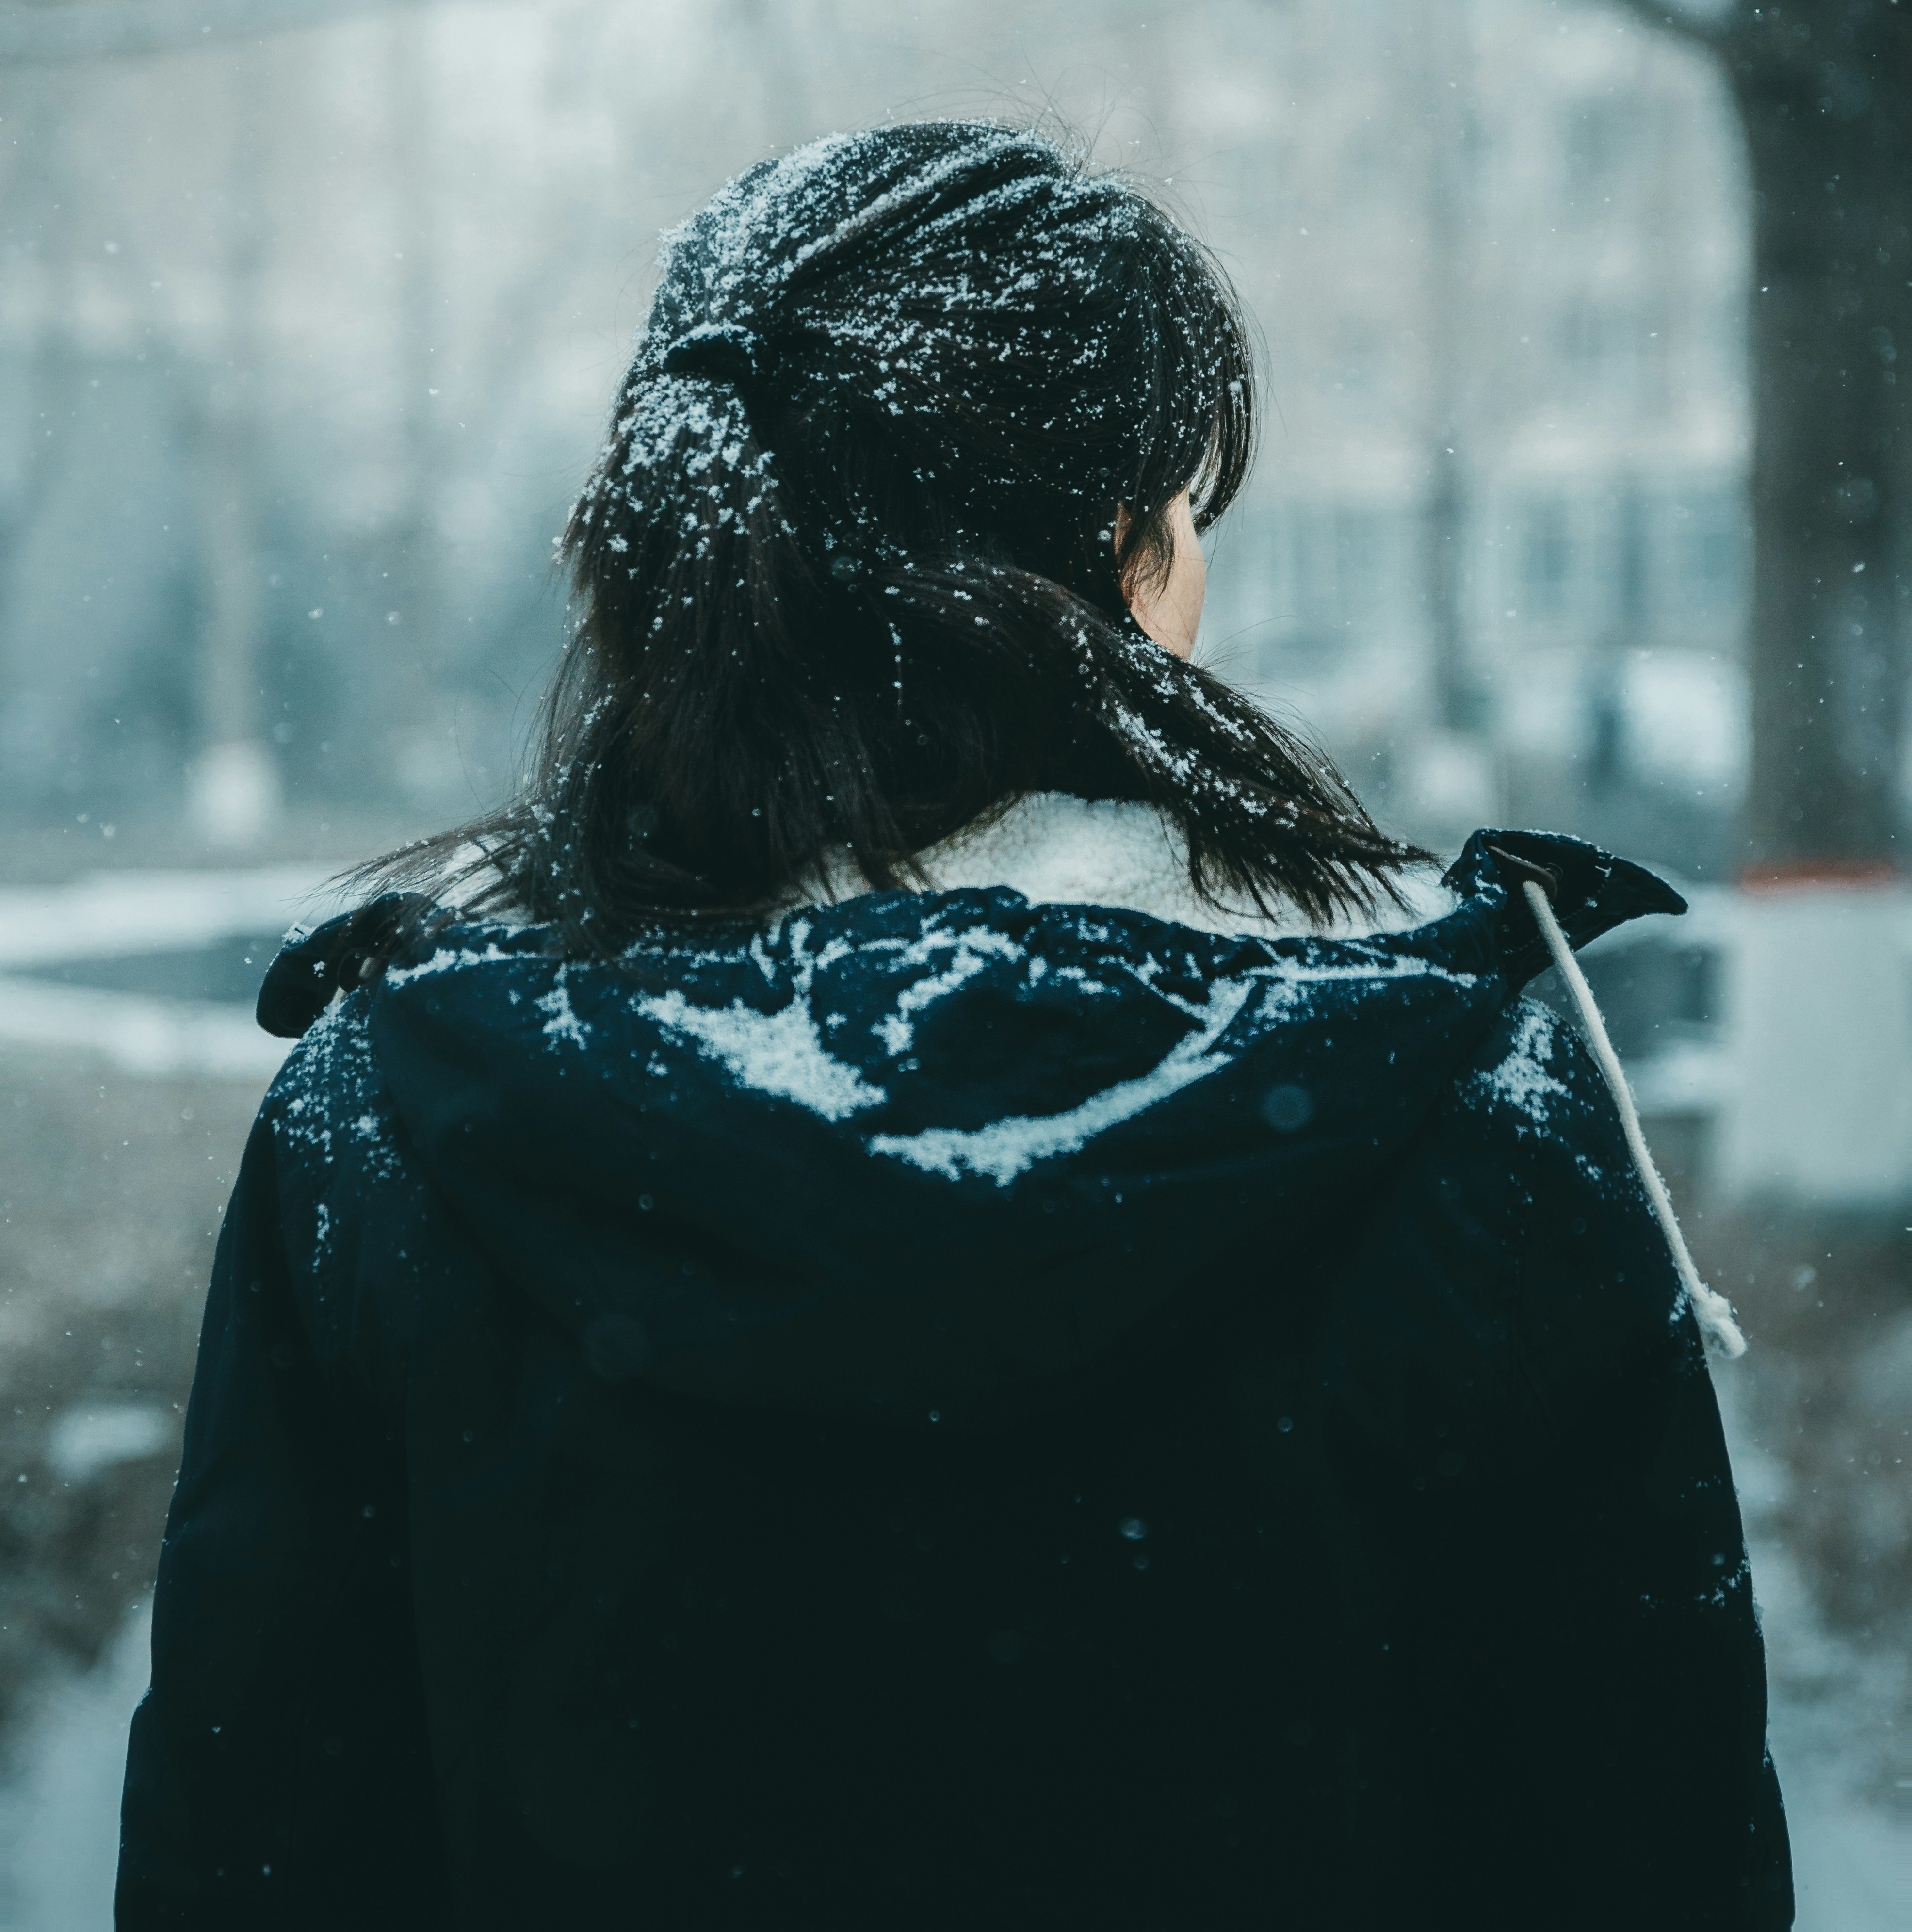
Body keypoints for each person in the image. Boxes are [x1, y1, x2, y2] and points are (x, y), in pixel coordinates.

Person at [117, 123, 1791, 1929]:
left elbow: (260, 1850)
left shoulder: (395, 1119)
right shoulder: (1466, 1101)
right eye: (1184, 512)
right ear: (1125, 561)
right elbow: (1643, 1845)